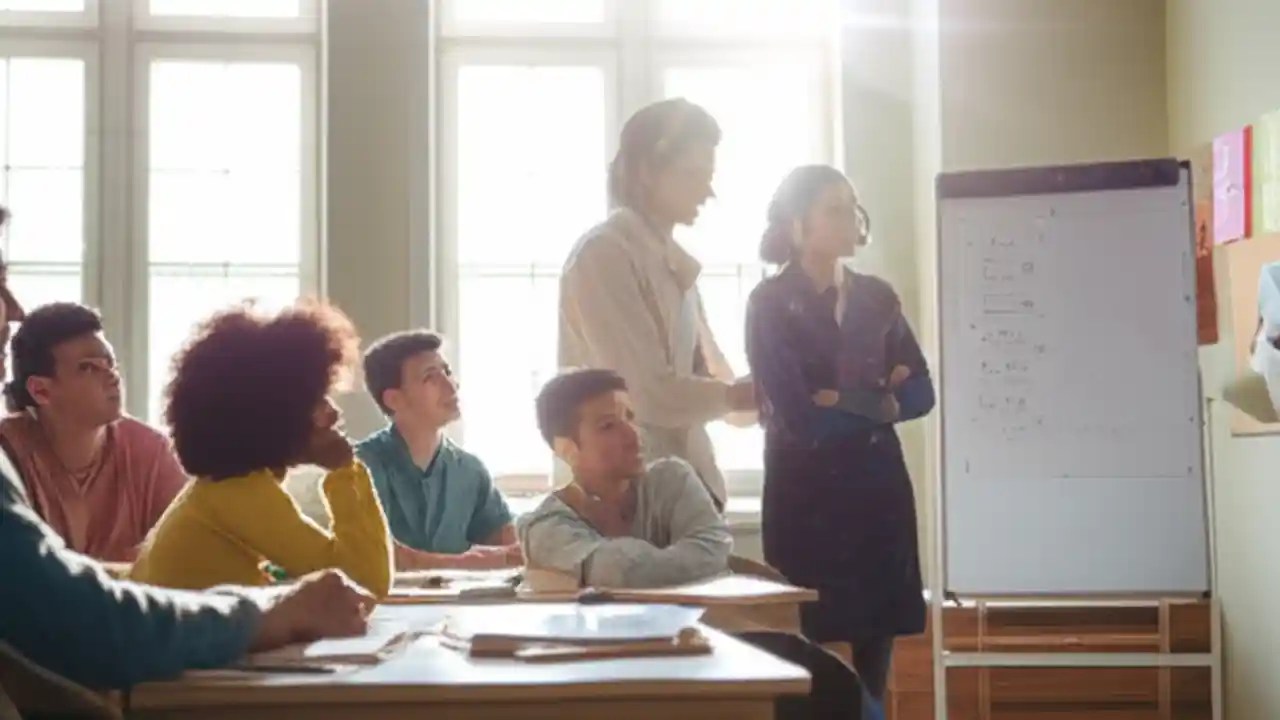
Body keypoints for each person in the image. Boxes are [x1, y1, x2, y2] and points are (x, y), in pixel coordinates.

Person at [0, 206, 372, 693]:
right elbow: (92, 621)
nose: (13, 310)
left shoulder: (147, 448)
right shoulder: (12, 448)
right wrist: (271, 611)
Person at [745, 165, 935, 705]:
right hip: (806, 493)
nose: (849, 217)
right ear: (796, 222)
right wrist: (879, 400)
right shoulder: (771, 304)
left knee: (878, 638)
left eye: (852, 205)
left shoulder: (878, 296)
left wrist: (845, 399)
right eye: (833, 208)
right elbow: (798, 416)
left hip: (879, 489)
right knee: (813, 641)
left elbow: (922, 393)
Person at [559, 98, 756, 509]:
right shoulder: (605, 255)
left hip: (682, 491)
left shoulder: (673, 263)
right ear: (647, 172)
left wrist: (763, 395)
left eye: (710, 175)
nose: (708, 191)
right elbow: (644, 392)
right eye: (694, 174)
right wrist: (737, 396)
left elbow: (715, 381)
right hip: (622, 498)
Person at [129, 301, 393, 598]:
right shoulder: (239, 493)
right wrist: (344, 471)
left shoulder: (222, 488)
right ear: (273, 415)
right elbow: (365, 585)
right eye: (318, 401)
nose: (334, 414)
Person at [0, 302, 187, 563]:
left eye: (110, 364)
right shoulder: (7, 455)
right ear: (41, 390)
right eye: (87, 368)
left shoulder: (150, 451)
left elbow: (184, 552)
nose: (111, 376)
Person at [517, 369, 731, 588]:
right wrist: (683, 559)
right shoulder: (544, 528)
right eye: (608, 426)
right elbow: (621, 572)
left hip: (692, 623)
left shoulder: (671, 480)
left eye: (630, 417)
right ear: (567, 449)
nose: (633, 435)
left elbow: (716, 551)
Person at [357, 330, 519, 570]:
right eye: (430, 377)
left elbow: (512, 545)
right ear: (394, 399)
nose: (451, 385)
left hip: (456, 605)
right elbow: (378, 554)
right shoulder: (360, 467)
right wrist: (471, 562)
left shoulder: (469, 471)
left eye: (448, 372)